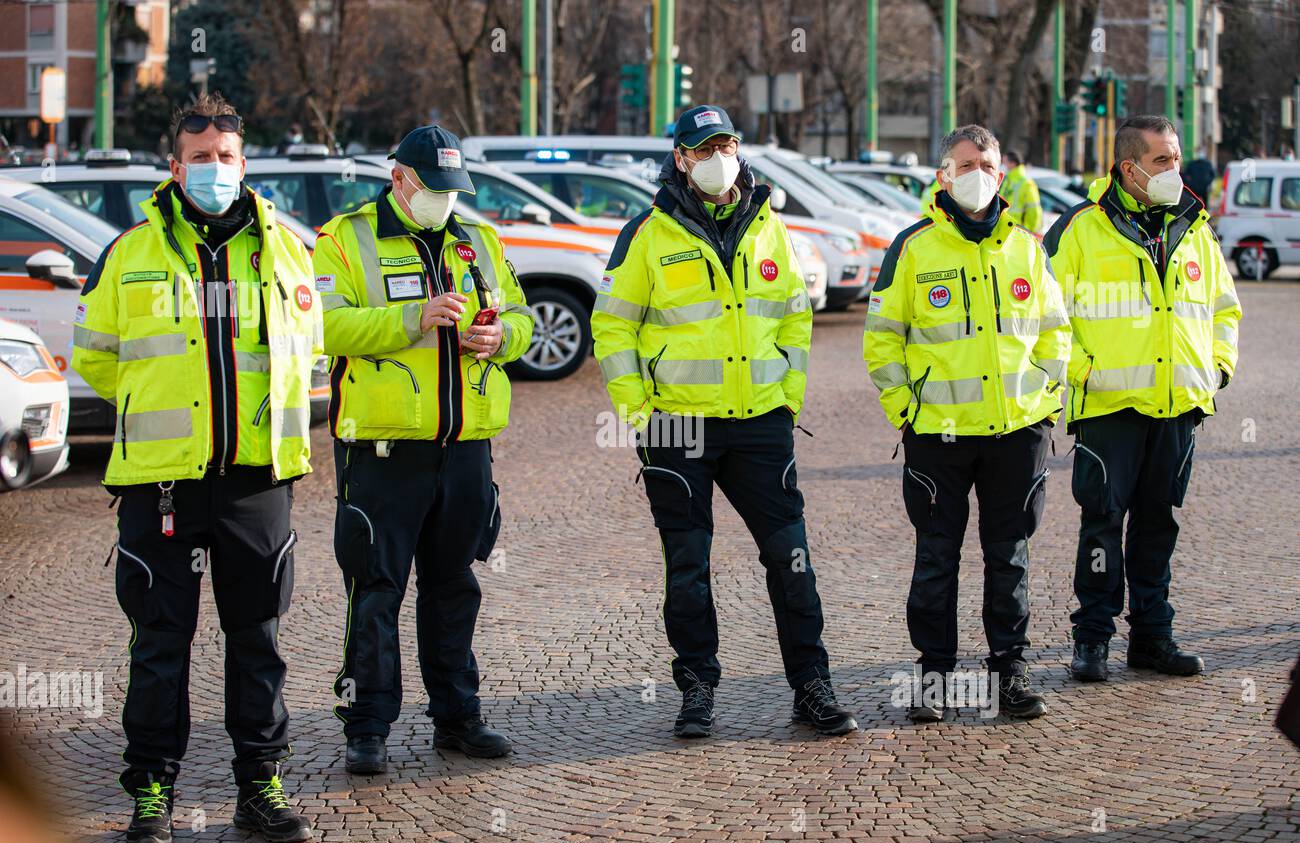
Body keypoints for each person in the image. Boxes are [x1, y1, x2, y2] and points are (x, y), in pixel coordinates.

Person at [71, 92, 319, 843]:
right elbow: (96, 358)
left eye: (227, 157)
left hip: (255, 481)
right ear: (174, 167)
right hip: (161, 484)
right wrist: (167, 414)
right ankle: (151, 794)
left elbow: (310, 350)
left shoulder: (285, 247)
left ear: (245, 163)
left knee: (258, 642)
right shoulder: (129, 252)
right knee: (158, 644)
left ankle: (261, 786)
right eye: (200, 158)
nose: (215, 169)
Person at [591, 105, 858, 739]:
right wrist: (639, 412)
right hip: (677, 428)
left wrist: (789, 393)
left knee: (791, 557)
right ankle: (698, 689)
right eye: (703, 148)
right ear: (680, 158)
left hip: (761, 423)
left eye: (727, 144)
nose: (718, 158)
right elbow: (613, 326)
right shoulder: (647, 235)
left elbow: (795, 314)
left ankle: (811, 686)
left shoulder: (771, 229)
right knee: (688, 564)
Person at [313, 125, 534, 775]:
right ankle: (368, 725)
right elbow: (322, 324)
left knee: (454, 587)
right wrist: (413, 319)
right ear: (399, 180)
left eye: (451, 189)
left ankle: (457, 717)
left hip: (465, 446)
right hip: (384, 450)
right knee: (376, 589)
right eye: (431, 188)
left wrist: (502, 340)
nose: (443, 199)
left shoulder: (479, 241)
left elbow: (520, 315)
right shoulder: (345, 239)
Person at [863, 124, 1071, 721]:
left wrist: (1049, 394)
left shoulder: (1028, 248)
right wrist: (905, 409)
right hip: (939, 436)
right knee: (936, 556)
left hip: (1017, 431)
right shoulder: (912, 248)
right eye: (964, 163)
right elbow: (882, 342)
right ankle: (933, 676)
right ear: (942, 176)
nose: (976, 173)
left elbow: (1057, 329)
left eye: (985, 163)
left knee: (1010, 556)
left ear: (1000, 174)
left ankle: (1009, 672)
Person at [1044, 114, 1242, 682]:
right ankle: (1093, 639)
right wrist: (1081, 374)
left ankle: (1153, 637)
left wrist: (1218, 369)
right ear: (1129, 167)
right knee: (1102, 525)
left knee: (1160, 523)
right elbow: (1044, 318)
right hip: (1110, 407)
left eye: (1176, 158)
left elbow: (1223, 308)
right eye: (1163, 161)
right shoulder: (1079, 228)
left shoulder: (1194, 225)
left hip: (1178, 403)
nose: (1174, 170)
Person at [999, 150, 1043, 234]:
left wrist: (1030, 232)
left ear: (1013, 163)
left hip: (1019, 231)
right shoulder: (1008, 180)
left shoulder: (1027, 183)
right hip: (1005, 229)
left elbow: (1034, 210)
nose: (1002, 165)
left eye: (1004, 162)